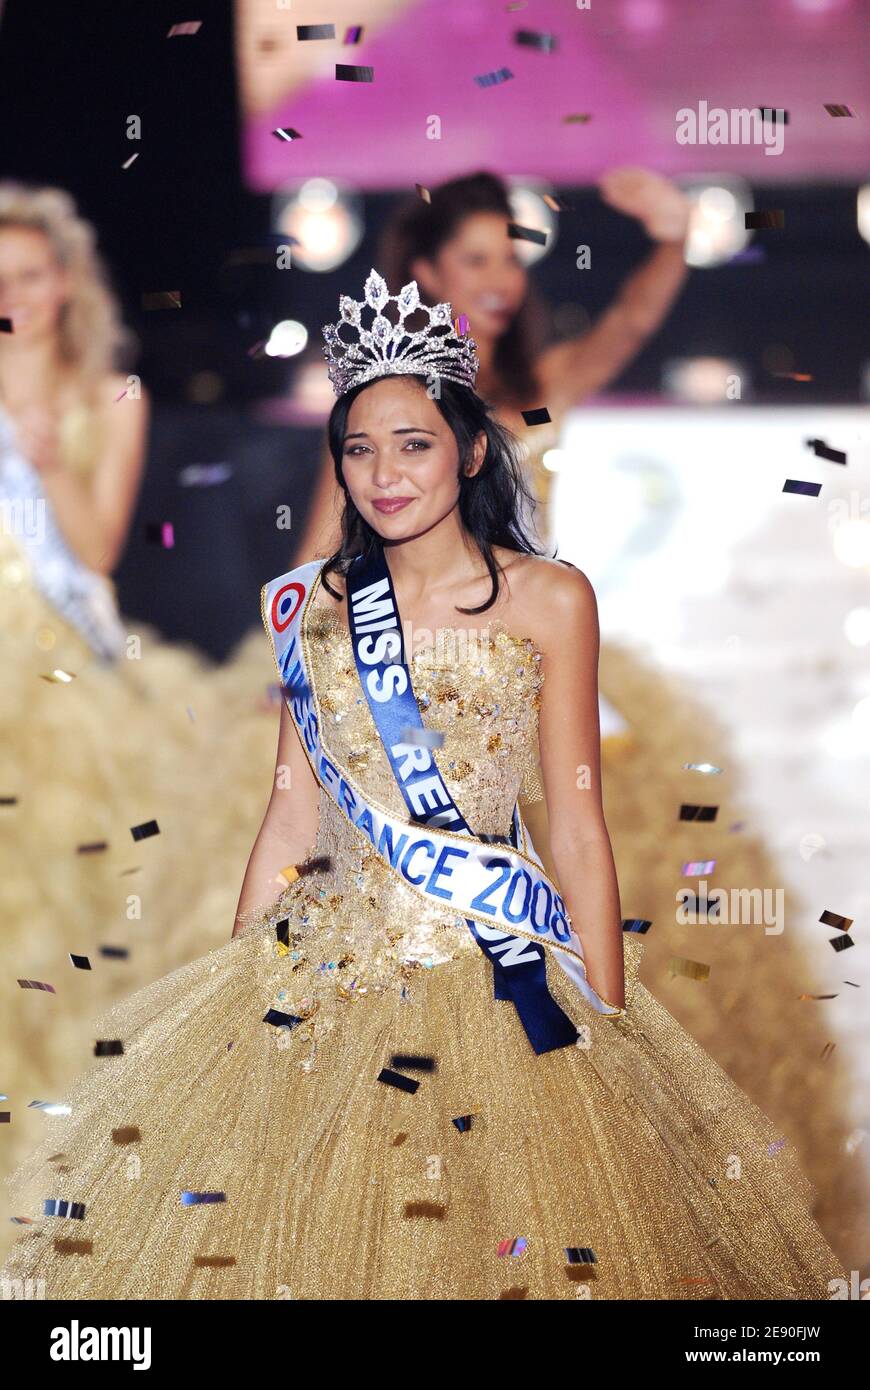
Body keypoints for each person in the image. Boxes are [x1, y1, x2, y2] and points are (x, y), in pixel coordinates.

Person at [0, 271, 846, 1300]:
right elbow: (289, 815)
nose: (383, 473)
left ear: (471, 451)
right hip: (325, 977)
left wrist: (608, 1015)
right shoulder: (310, 607)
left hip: (500, 976)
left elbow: (574, 821)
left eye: (413, 444)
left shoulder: (547, 597)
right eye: (358, 448)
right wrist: (234, 1009)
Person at [0, 183, 229, 1185]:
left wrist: (46, 460)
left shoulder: (113, 396)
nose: (15, 292)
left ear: (66, 281)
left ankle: (60, 1140)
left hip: (60, 662)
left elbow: (97, 545)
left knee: (66, 892)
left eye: (32, 273)